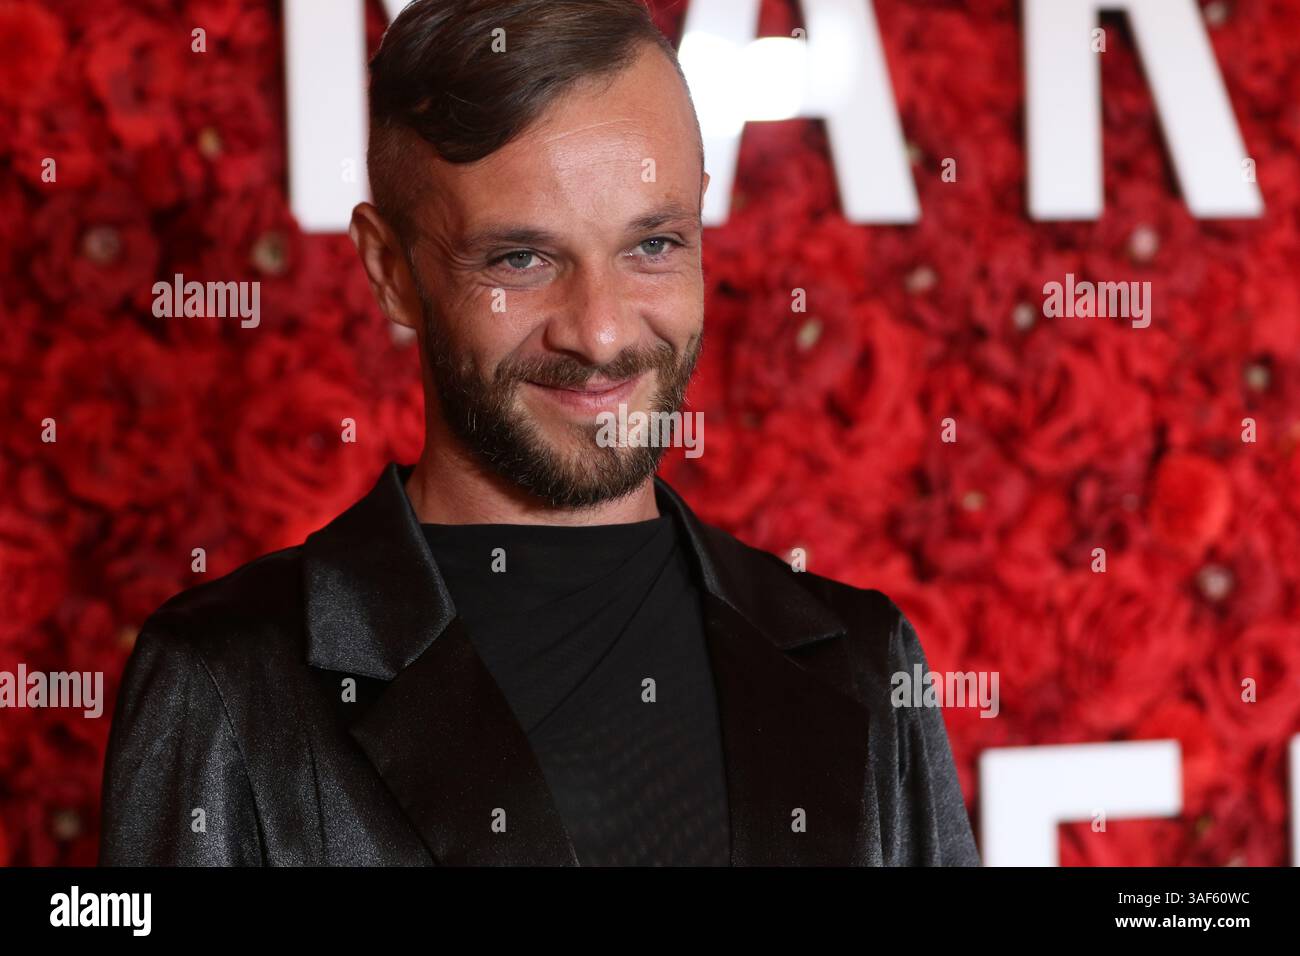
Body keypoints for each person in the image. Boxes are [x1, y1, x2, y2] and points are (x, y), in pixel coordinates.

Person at [98, 0, 980, 866]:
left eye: (653, 245)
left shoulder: (860, 657)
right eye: (520, 260)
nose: (599, 332)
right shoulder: (227, 680)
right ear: (390, 271)